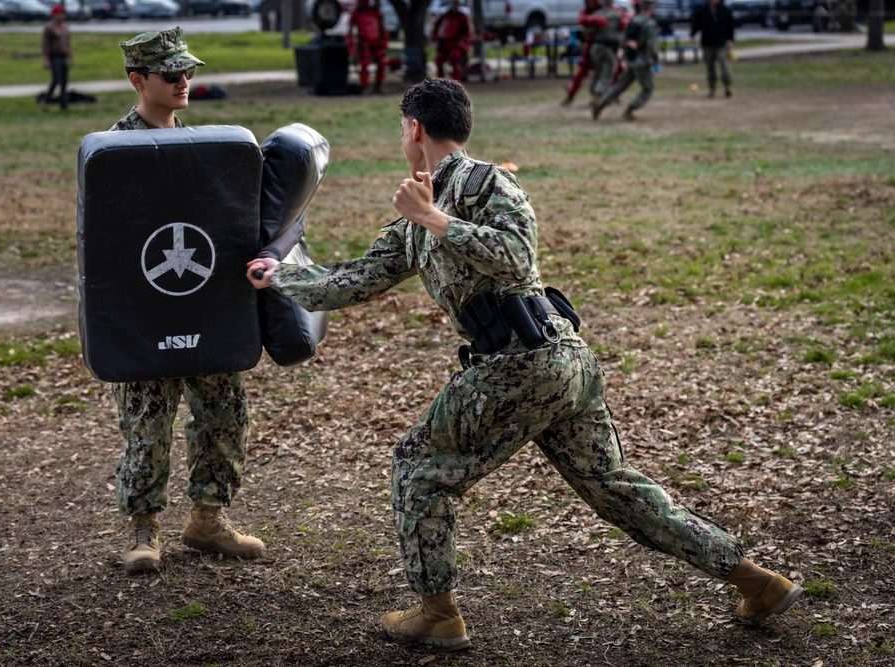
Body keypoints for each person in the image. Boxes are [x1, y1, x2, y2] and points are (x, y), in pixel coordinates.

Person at [246, 78, 804, 650]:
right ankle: (757, 583)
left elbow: (517, 256)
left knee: (419, 469)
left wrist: (436, 220)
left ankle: (437, 614)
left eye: (401, 126)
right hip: (552, 370)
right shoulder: (419, 201)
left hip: (525, 365)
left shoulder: (487, 181)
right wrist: (280, 275)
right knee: (615, 489)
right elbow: (357, 280)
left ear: (414, 129)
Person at [110, 27, 265, 573]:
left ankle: (207, 520)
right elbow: (108, 243)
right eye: (171, 75)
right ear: (138, 80)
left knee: (224, 412)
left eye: (189, 73)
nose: (184, 83)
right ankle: (142, 528)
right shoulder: (114, 152)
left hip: (205, 304)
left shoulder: (202, 148)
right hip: (147, 307)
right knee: (147, 422)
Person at [592, 0, 659, 121]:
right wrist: (655, 59)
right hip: (643, 61)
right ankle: (630, 109)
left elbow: (624, 40)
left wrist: (626, 54)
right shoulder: (649, 24)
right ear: (651, 8)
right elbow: (651, 45)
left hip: (631, 59)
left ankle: (602, 102)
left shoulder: (633, 20)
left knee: (622, 85)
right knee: (648, 88)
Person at [690, 0, 734, 98]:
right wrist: (693, 34)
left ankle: (727, 86)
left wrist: (730, 40)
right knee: (710, 67)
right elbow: (696, 23)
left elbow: (730, 25)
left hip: (721, 43)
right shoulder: (702, 10)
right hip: (707, 42)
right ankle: (712, 88)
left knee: (723, 64)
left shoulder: (725, 10)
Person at [346, 0, 388, 94]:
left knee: (382, 62)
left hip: (376, 41)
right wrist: (352, 47)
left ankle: (378, 86)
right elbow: (351, 32)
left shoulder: (376, 12)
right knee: (364, 64)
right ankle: (364, 87)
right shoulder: (356, 13)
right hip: (363, 41)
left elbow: (382, 28)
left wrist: (384, 41)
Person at [587, 0, 624, 104]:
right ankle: (598, 94)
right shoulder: (617, 15)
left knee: (598, 71)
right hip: (608, 48)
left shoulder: (595, 15)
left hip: (595, 47)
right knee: (608, 72)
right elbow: (623, 29)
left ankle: (595, 92)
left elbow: (588, 31)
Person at [431, 0, 473, 83]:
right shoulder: (445, 15)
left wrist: (464, 45)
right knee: (439, 60)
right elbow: (436, 26)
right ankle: (441, 82)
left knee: (455, 58)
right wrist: (434, 37)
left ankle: (457, 82)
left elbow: (467, 32)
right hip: (445, 43)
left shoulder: (462, 16)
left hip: (456, 44)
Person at [41, 5, 73, 112]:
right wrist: (46, 59)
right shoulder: (49, 27)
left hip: (63, 56)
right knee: (56, 80)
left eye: (63, 13)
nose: (61, 16)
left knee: (64, 81)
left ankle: (64, 104)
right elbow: (45, 45)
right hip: (54, 57)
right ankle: (46, 100)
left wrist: (71, 57)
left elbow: (67, 43)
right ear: (54, 15)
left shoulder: (65, 27)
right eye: (59, 14)